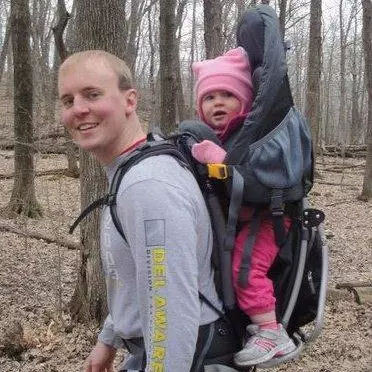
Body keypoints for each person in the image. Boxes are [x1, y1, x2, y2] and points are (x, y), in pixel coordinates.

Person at [58, 50, 236, 372]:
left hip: (190, 354)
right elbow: (137, 279)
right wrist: (109, 338)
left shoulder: (147, 186)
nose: (79, 109)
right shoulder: (134, 167)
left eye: (92, 94)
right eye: (68, 100)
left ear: (130, 101)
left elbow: (172, 313)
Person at [191, 47, 296, 367]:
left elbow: (256, 179)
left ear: (245, 100)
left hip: (268, 219)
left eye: (227, 94)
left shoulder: (252, 134)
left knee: (244, 269)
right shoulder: (221, 136)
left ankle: (271, 331)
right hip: (244, 219)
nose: (217, 102)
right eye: (209, 98)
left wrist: (220, 162)